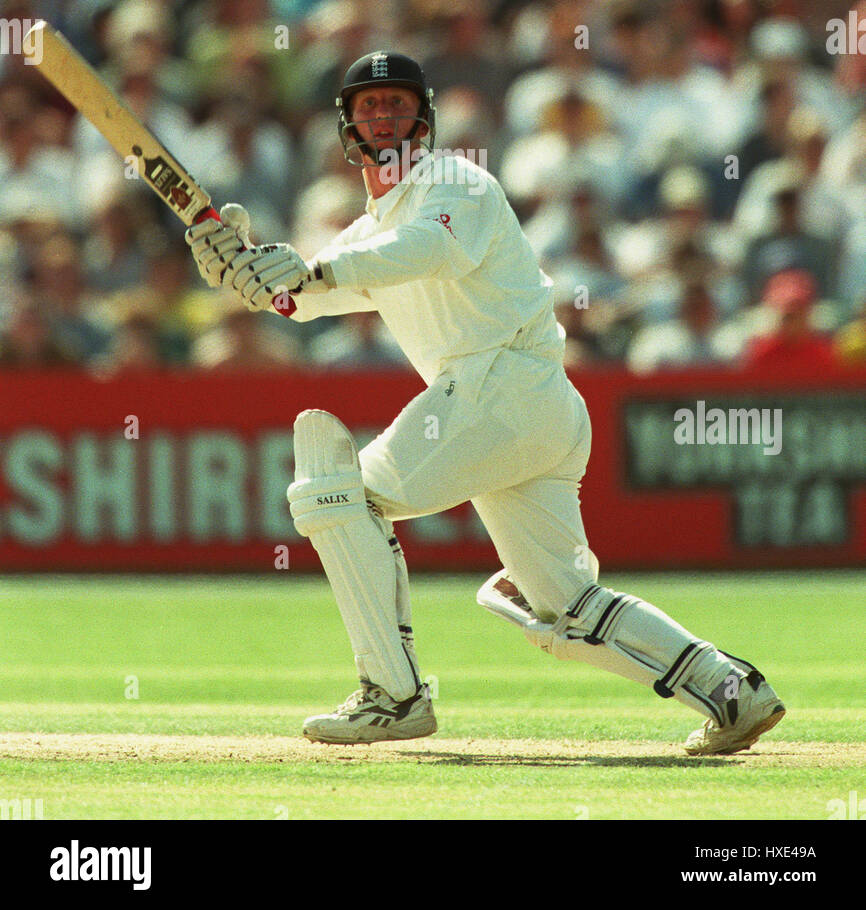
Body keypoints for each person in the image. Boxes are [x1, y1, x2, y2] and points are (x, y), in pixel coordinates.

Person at [186, 51, 785, 754]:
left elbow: (417, 251)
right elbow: (313, 294)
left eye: (398, 105)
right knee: (563, 608)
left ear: (426, 119)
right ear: (346, 126)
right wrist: (245, 268)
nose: (384, 118)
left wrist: (309, 267)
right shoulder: (373, 224)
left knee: (336, 494)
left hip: (500, 386)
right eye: (370, 107)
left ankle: (394, 695)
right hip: (530, 410)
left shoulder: (454, 184)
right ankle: (731, 691)